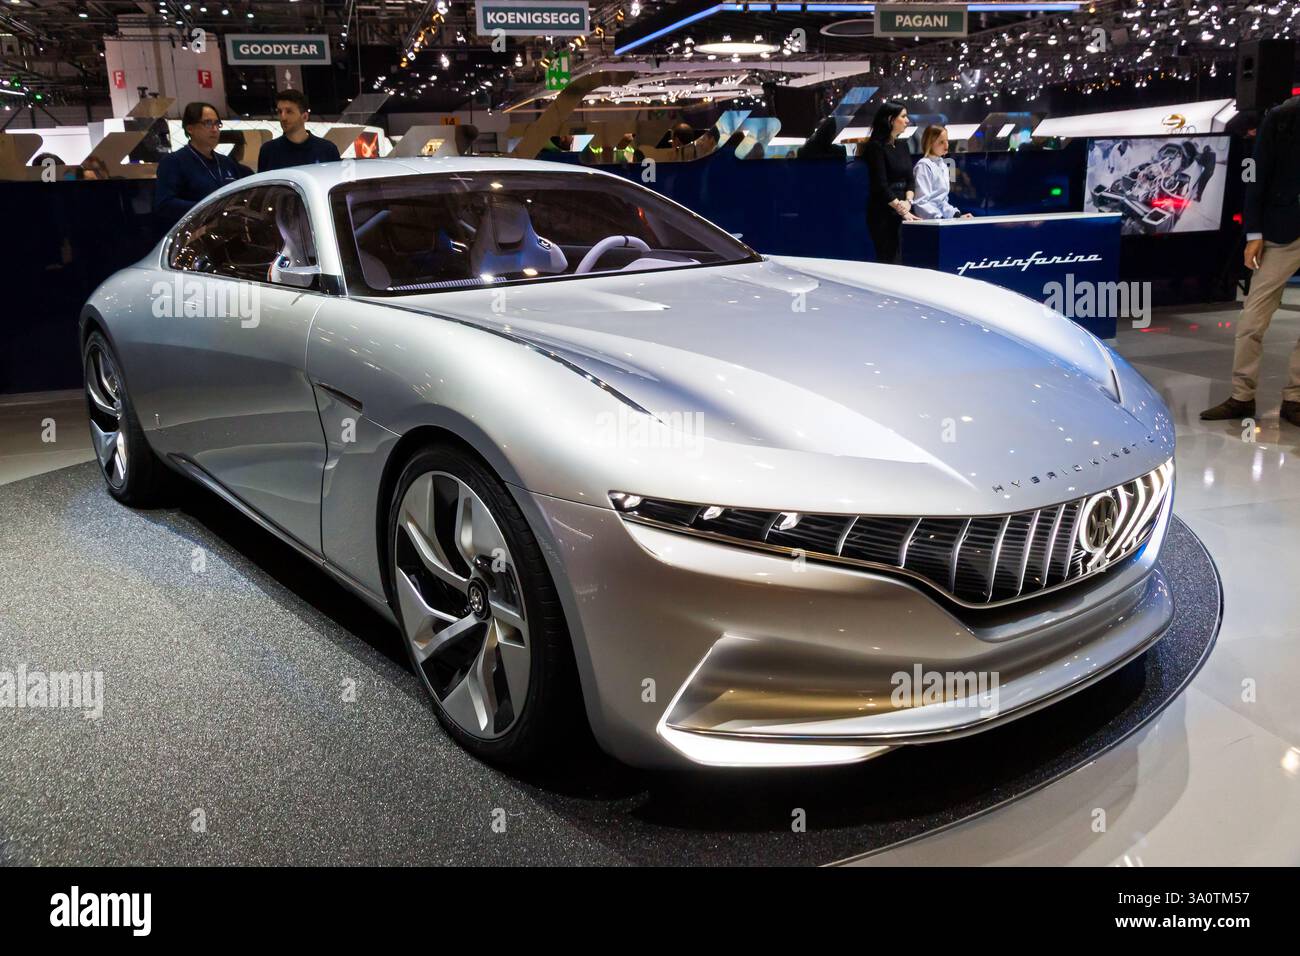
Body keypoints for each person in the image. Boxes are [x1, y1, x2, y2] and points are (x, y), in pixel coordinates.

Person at [1201, 94, 1300, 427]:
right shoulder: (1283, 117)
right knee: (1253, 320)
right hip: (1281, 230)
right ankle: (1242, 396)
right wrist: (1253, 233)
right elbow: (1255, 176)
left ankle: (1295, 398)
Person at [153, 101, 251, 221]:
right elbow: (164, 204)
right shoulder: (174, 162)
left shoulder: (227, 163)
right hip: (194, 232)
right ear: (190, 128)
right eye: (208, 123)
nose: (215, 129)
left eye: (217, 124)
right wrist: (209, 208)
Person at [858, 101, 917, 264]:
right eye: (903, 116)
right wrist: (901, 209)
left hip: (905, 210)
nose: (907, 121)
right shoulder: (875, 147)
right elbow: (880, 186)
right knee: (889, 260)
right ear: (891, 119)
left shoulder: (903, 145)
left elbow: (910, 180)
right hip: (883, 212)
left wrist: (908, 203)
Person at [257, 89, 341, 172]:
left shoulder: (327, 149)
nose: (283, 117)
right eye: (279, 112)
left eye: (289, 112)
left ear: (304, 117)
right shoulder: (269, 151)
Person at [912, 126, 972, 220]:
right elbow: (920, 203)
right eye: (941, 142)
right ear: (930, 143)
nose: (946, 145)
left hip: (940, 221)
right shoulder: (924, 166)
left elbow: (942, 201)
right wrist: (940, 217)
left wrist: (956, 215)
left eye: (947, 140)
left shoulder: (942, 165)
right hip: (929, 223)